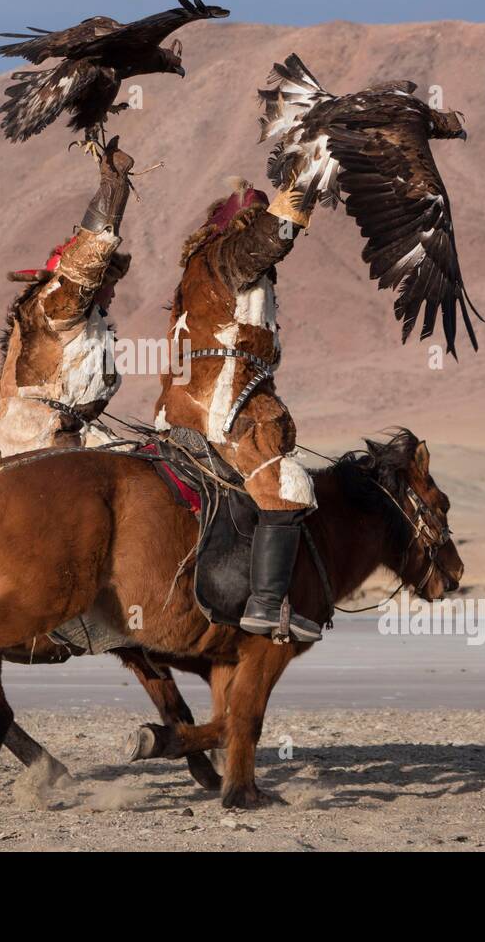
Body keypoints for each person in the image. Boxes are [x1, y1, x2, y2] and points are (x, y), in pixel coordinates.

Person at [153, 177, 322, 641]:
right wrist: (307, 179)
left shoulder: (206, 270)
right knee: (287, 484)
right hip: (220, 405)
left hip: (189, 403)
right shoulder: (227, 258)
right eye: (253, 223)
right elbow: (269, 240)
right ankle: (266, 606)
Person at [0, 138, 134, 457]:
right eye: (108, 283)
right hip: (29, 440)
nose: (114, 293)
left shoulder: (74, 324)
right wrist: (112, 191)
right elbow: (83, 267)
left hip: (62, 436)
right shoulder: (52, 309)